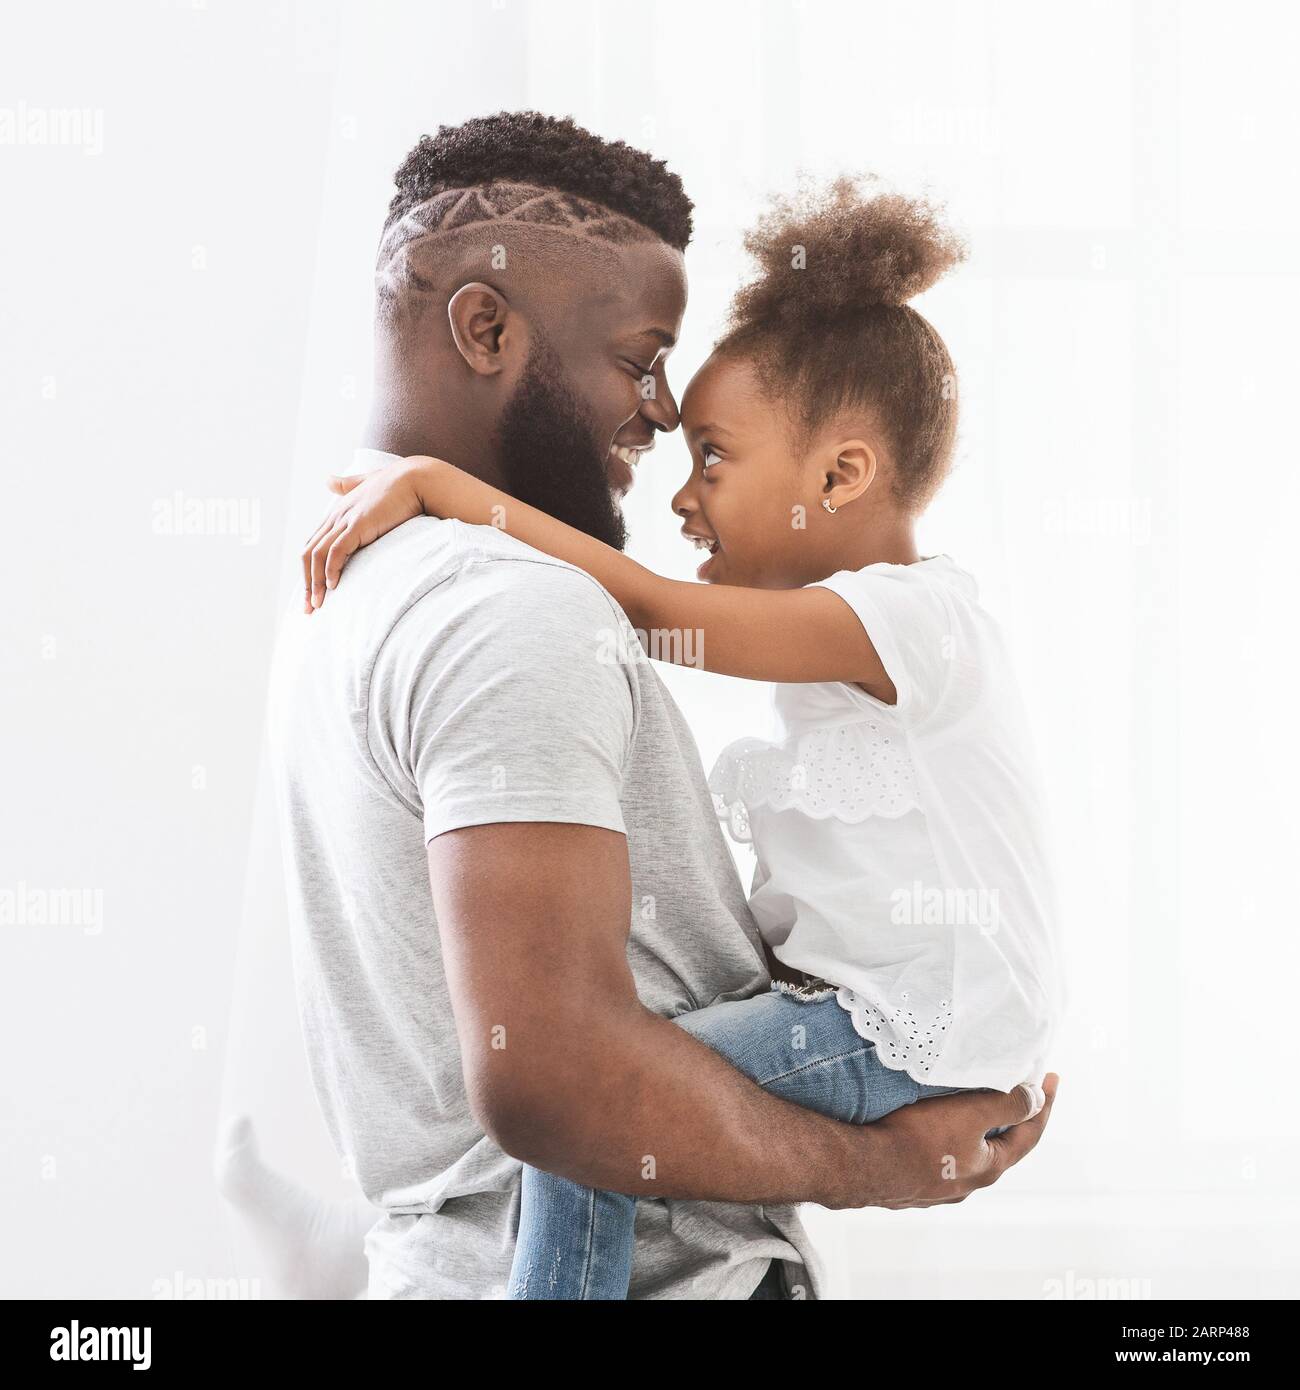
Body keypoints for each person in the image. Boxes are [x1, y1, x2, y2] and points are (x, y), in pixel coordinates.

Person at [259, 114, 1057, 1302]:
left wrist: (436, 493)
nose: (664, 422)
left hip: (859, 1041)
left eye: (716, 453)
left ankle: (395, 1243)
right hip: (689, 1257)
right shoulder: (504, 610)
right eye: (642, 360)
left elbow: (653, 609)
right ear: (485, 327)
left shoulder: (351, 597)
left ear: (841, 473)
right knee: (586, 1137)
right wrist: (884, 1171)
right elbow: (561, 1088)